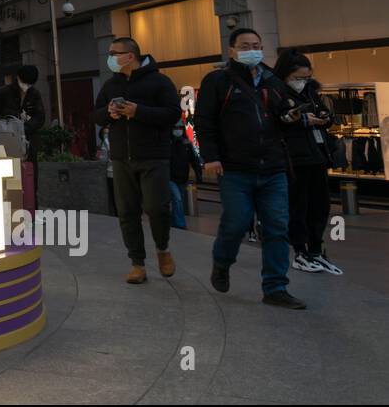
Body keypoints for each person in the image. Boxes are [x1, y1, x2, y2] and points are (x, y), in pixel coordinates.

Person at [194, 28, 306, 309]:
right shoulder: (217, 81)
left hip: (273, 167)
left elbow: (282, 114)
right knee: (237, 222)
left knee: (277, 227)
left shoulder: (271, 80)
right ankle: (222, 261)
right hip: (235, 169)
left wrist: (290, 116)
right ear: (231, 50)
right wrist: (211, 156)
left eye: (256, 45)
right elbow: (204, 121)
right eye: (245, 45)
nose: (252, 49)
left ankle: (276, 287)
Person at [89, 37, 181, 283]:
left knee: (157, 208)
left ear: (130, 56)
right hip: (121, 157)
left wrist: (137, 111)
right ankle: (137, 263)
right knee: (127, 212)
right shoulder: (111, 85)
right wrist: (108, 113)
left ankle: (163, 250)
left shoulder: (159, 81)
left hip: (154, 156)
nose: (110, 57)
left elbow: (173, 114)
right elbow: (96, 115)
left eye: (114, 53)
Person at [273, 49, 342, 275]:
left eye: (306, 77)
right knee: (299, 205)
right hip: (294, 158)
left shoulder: (312, 92)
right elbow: (278, 121)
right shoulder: (276, 93)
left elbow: (324, 113)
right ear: (285, 75)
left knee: (320, 205)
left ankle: (316, 249)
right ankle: (300, 251)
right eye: (298, 78)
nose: (303, 82)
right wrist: (301, 120)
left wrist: (325, 119)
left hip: (317, 155)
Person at [0, 65, 46, 159]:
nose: (25, 86)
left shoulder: (34, 94)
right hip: (6, 138)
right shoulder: (4, 92)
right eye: (23, 82)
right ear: (18, 78)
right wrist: (2, 123)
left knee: (29, 170)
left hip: (28, 141)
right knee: (8, 167)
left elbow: (40, 116)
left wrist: (26, 127)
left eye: (29, 84)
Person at [168, 121, 202, 230]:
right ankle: (180, 224)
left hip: (182, 178)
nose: (177, 130)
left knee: (178, 201)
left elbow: (194, 160)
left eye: (179, 128)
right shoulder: (168, 143)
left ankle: (173, 221)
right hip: (170, 177)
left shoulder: (186, 144)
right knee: (177, 199)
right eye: (175, 127)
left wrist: (198, 174)